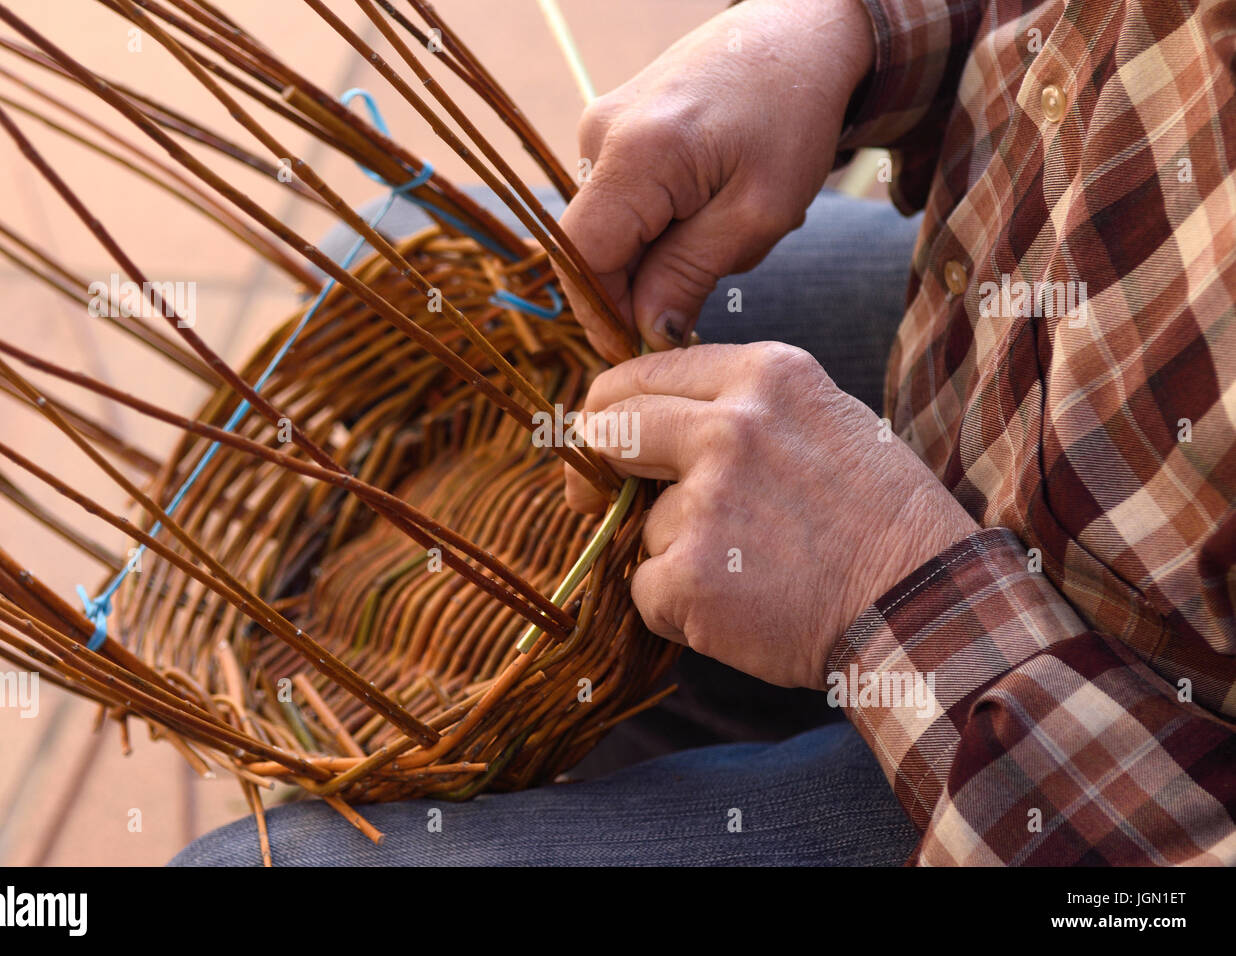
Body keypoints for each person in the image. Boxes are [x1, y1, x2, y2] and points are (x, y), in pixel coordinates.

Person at [175, 0, 1236, 866]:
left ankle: (720, 720)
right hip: (1015, 333)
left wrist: (887, 583)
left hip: (1105, 784)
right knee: (415, 250)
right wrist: (853, 33)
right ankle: (680, 716)